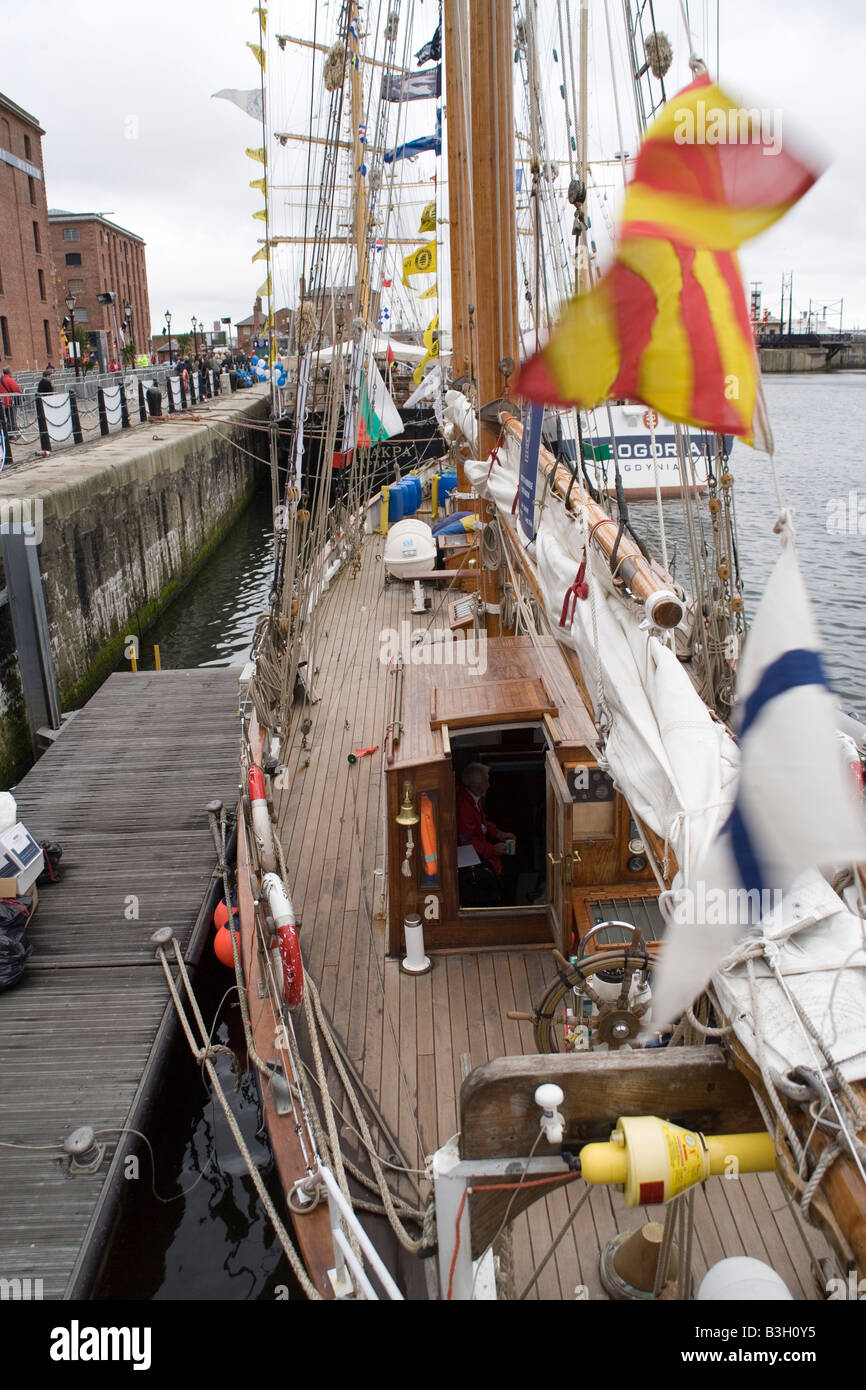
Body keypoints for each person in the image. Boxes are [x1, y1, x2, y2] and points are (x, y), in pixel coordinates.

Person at [456, 763, 516, 876]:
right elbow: (466, 842)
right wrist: (492, 849)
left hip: (481, 845)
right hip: (474, 856)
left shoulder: (473, 798)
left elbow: (482, 823)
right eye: (485, 782)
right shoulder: (463, 807)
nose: (488, 785)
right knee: (510, 868)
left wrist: (499, 833)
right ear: (475, 785)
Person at [0, 367, 22, 434]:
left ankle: (7, 431)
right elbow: (16, 389)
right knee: (11, 416)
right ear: (9, 372)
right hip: (9, 401)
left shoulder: (1, 379)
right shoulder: (9, 380)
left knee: (6, 417)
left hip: (2, 401)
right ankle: (12, 432)